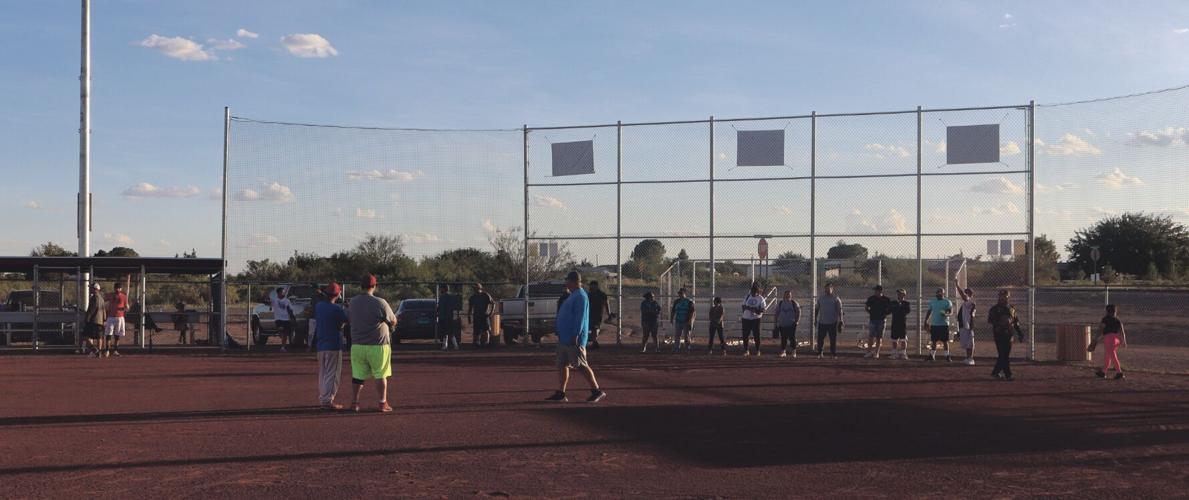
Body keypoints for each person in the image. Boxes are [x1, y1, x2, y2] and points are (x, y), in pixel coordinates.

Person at [545, 271, 606, 403]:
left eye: (567, 281)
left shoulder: (581, 296)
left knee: (581, 365)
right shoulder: (573, 295)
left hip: (574, 338)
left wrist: (576, 334)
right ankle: (561, 393)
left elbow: (580, 318)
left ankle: (597, 390)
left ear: (573, 281)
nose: (566, 283)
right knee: (562, 364)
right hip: (564, 339)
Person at [348, 275, 398, 413]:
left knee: (357, 376)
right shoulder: (380, 302)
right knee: (380, 374)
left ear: (361, 286)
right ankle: (382, 403)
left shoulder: (352, 302)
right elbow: (393, 321)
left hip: (357, 345)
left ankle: (355, 403)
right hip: (378, 345)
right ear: (374, 286)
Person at [313, 282, 349, 410]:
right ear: (338, 294)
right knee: (332, 375)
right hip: (333, 344)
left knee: (323, 374)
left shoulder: (319, 306)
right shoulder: (337, 309)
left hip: (321, 344)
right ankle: (327, 401)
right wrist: (346, 308)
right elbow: (344, 322)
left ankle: (324, 398)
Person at [987, 289, 1024, 381]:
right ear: (999, 297)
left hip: (1009, 334)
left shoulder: (1011, 308)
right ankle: (1008, 374)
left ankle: (995, 372)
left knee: (1004, 355)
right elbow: (990, 320)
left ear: (1008, 297)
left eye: (1005, 296)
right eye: (1001, 296)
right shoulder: (995, 309)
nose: (1003, 298)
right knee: (1003, 355)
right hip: (999, 334)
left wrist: (1019, 332)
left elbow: (1016, 321)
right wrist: (1000, 323)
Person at [1094, 304, 1127, 380]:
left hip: (1108, 339)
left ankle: (1119, 373)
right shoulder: (1117, 320)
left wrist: (1096, 338)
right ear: (1115, 311)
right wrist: (1123, 341)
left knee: (1112, 356)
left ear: (1107, 311)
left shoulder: (1105, 319)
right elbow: (1122, 332)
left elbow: (1100, 329)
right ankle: (1103, 372)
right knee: (1107, 355)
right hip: (1116, 339)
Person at [923, 288, 954, 362]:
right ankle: (932, 356)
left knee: (945, 341)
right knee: (934, 340)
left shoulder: (947, 302)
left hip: (944, 324)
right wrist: (926, 320)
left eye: (939, 293)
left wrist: (946, 314)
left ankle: (947, 356)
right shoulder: (933, 301)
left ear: (943, 294)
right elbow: (929, 311)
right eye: (937, 293)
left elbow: (950, 311)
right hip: (934, 324)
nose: (938, 295)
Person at [814, 282, 844, 359]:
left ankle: (833, 353)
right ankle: (820, 353)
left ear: (832, 289)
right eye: (826, 288)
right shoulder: (821, 298)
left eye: (829, 288)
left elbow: (840, 310)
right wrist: (815, 319)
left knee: (833, 339)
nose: (827, 289)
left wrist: (841, 320)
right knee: (820, 338)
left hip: (832, 322)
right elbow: (817, 309)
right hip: (822, 322)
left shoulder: (836, 298)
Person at [864, 285, 892, 359]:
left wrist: (885, 314)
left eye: (877, 290)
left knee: (879, 337)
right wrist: (871, 312)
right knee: (871, 336)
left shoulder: (886, 299)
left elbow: (889, 309)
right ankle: (869, 352)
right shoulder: (871, 298)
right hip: (873, 319)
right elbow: (866, 307)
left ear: (880, 291)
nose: (875, 292)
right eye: (875, 291)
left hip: (881, 320)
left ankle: (876, 353)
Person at [103, 282, 129, 357]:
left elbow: (127, 307)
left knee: (117, 335)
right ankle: (107, 350)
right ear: (114, 288)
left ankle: (115, 350)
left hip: (120, 317)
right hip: (111, 317)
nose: (117, 289)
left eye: (119, 288)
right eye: (116, 288)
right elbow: (103, 301)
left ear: (121, 289)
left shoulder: (124, 296)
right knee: (108, 334)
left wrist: (125, 308)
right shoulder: (110, 295)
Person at [740, 284, 766, 356]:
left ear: (757, 291)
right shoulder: (747, 297)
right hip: (746, 318)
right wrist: (749, 309)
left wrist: (757, 310)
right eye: (752, 291)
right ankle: (746, 350)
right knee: (745, 335)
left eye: (755, 291)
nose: (753, 292)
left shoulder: (760, 298)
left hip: (756, 319)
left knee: (756, 335)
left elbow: (763, 309)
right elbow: (743, 306)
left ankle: (758, 350)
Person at [774, 290, 801, 358]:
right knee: (783, 338)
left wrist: (797, 321)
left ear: (791, 295)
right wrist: (776, 322)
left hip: (791, 324)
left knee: (792, 338)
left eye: (789, 294)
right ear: (784, 295)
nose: (787, 295)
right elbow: (777, 313)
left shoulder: (794, 303)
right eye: (786, 294)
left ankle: (793, 352)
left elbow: (798, 312)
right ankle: (783, 352)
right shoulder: (780, 303)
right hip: (782, 324)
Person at [468, 283, 496, 348]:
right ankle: (477, 343)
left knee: (486, 329)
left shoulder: (485, 295)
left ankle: (487, 342)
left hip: (484, 315)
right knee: (476, 331)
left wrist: (491, 312)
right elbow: (470, 308)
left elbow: (493, 303)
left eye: (476, 288)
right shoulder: (472, 297)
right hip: (476, 316)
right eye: (474, 288)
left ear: (480, 288)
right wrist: (469, 316)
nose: (475, 289)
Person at [955, 287, 978, 366]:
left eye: (966, 292)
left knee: (970, 343)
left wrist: (957, 285)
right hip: (965, 324)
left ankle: (970, 359)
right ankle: (968, 358)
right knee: (967, 343)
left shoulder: (969, 301)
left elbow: (963, 295)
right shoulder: (966, 302)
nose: (965, 294)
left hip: (968, 324)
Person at [586, 281, 612, 349]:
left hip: (598, 314)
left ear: (596, 286)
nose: (591, 287)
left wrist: (609, 313)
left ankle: (595, 342)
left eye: (593, 286)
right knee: (591, 328)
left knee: (596, 328)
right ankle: (594, 341)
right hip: (589, 314)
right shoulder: (589, 294)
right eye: (591, 286)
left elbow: (606, 303)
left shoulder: (601, 294)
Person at [272, 287, 297, 353]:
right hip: (278, 318)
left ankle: (283, 347)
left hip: (286, 319)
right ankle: (279, 332)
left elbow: (290, 310)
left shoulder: (287, 300)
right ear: (278, 292)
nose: (284, 293)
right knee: (280, 329)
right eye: (282, 292)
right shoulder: (274, 300)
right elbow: (267, 301)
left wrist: (293, 318)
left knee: (285, 334)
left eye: (284, 292)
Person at [670, 288, 695, 353]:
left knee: (686, 336)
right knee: (677, 335)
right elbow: (673, 311)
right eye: (679, 293)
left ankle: (687, 348)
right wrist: (671, 319)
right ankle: (676, 348)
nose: (680, 294)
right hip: (678, 320)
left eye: (681, 293)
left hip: (686, 321)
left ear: (684, 293)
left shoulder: (689, 301)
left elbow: (692, 312)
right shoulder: (676, 301)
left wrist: (690, 321)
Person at [889, 289, 912, 360]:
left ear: (904, 295)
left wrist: (900, 305)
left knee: (903, 339)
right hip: (895, 323)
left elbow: (907, 311)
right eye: (898, 294)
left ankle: (903, 353)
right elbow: (890, 310)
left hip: (902, 323)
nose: (899, 295)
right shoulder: (893, 302)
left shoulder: (906, 303)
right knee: (894, 339)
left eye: (901, 294)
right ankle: (894, 353)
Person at [84, 283, 106, 357]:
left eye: (91, 288)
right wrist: (104, 319)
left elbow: (92, 309)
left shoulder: (94, 298)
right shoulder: (102, 298)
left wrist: (87, 318)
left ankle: (94, 349)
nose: (90, 289)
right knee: (99, 337)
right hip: (100, 321)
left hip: (93, 320)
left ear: (95, 289)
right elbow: (104, 310)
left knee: (86, 336)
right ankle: (99, 351)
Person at [437, 284, 461, 351]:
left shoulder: (448, 297)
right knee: (445, 332)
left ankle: (455, 345)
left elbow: (452, 307)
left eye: (441, 288)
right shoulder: (443, 297)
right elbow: (439, 307)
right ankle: (445, 345)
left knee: (450, 332)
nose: (440, 290)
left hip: (447, 317)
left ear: (444, 289)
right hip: (444, 317)